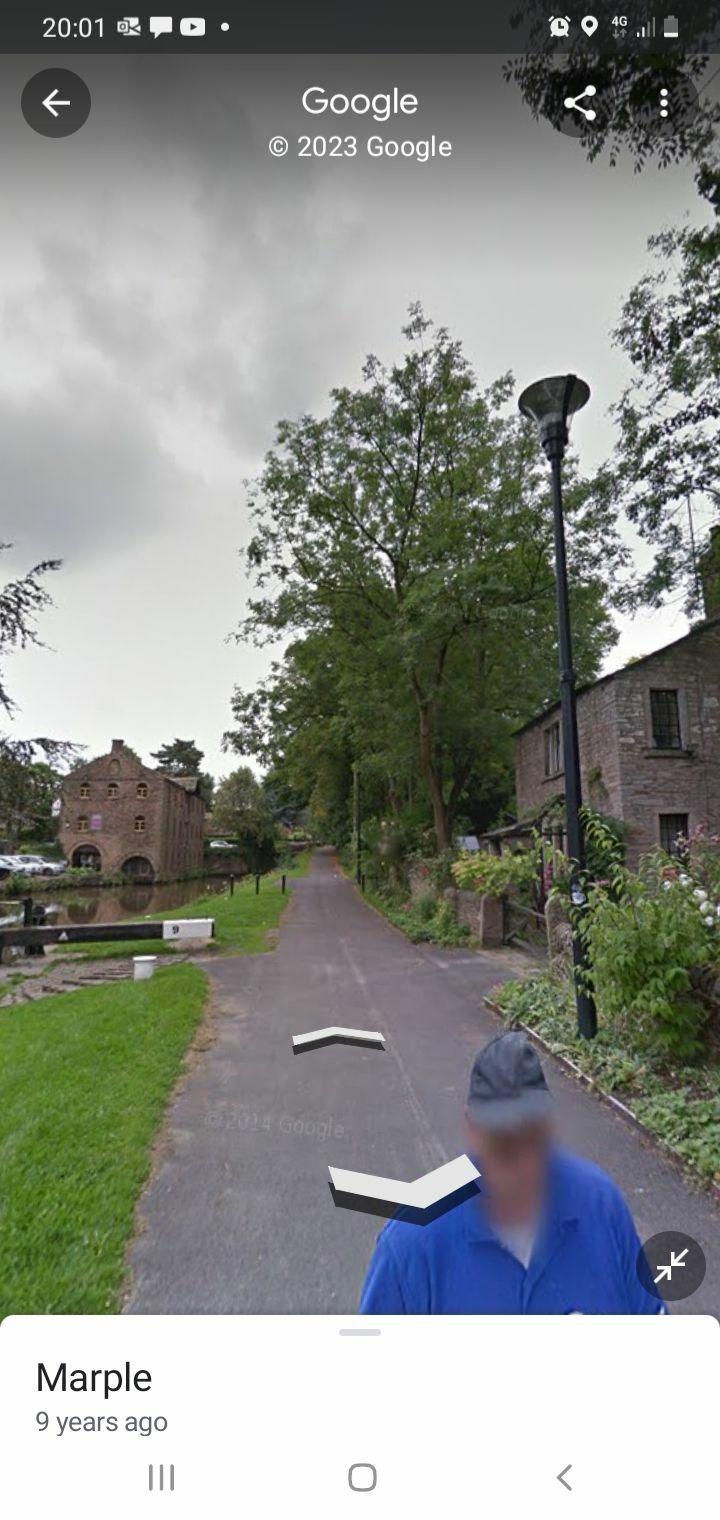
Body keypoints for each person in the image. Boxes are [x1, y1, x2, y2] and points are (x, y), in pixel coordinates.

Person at [359, 1031, 665, 1314]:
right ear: (472, 1128)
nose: (525, 1167)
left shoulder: (601, 1205)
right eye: (504, 1147)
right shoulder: (412, 1240)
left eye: (534, 1140)